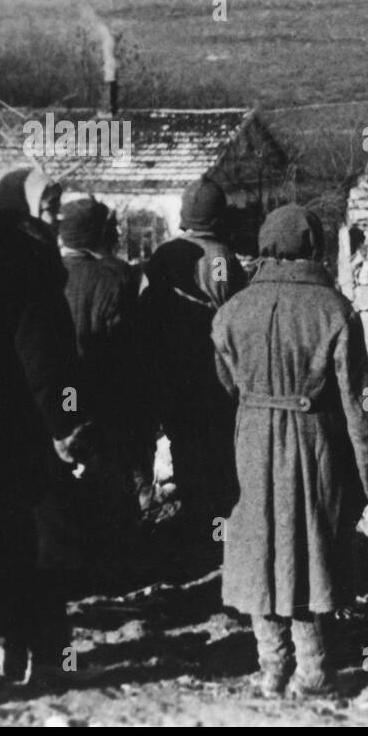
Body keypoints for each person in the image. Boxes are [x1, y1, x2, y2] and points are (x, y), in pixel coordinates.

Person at [211, 205, 368, 697]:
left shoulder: (230, 312)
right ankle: (313, 670)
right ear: (313, 245)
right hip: (314, 442)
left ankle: (271, 666)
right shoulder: (336, 310)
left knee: (258, 544)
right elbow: (361, 399)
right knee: (309, 545)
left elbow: (225, 388)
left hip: (252, 438)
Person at [0, 166, 94, 688]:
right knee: (45, 546)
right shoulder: (33, 266)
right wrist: (64, 426)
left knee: (5, 544)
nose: (57, 211)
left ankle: (14, 648)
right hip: (31, 429)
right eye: (47, 203)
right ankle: (49, 658)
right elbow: (44, 359)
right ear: (19, 209)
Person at [138, 177, 246, 559]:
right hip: (213, 378)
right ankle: (216, 541)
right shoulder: (220, 259)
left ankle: (193, 538)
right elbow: (231, 311)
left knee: (186, 457)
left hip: (171, 377)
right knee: (218, 464)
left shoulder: (163, 256)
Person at [58, 197, 148, 568]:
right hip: (109, 393)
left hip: (61, 391)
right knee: (112, 479)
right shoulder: (119, 276)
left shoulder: (45, 272)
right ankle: (115, 555)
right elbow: (132, 344)